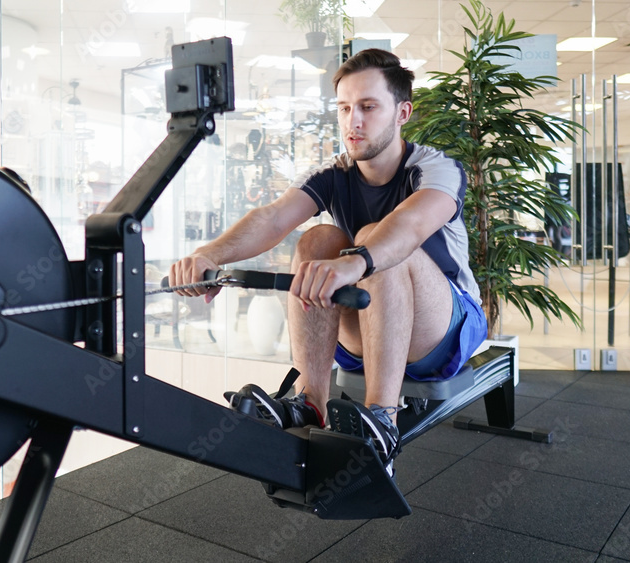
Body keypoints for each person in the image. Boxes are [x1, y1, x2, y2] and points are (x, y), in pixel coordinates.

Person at [169, 49, 487, 475]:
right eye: (344, 108)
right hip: (367, 331)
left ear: (403, 112)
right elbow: (273, 217)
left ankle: (383, 423)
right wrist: (209, 255)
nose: (353, 121)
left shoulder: (434, 169)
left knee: (376, 239)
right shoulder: (334, 174)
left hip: (444, 331)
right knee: (317, 239)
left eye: (368, 107)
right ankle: (309, 402)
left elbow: (410, 226)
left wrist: (357, 262)